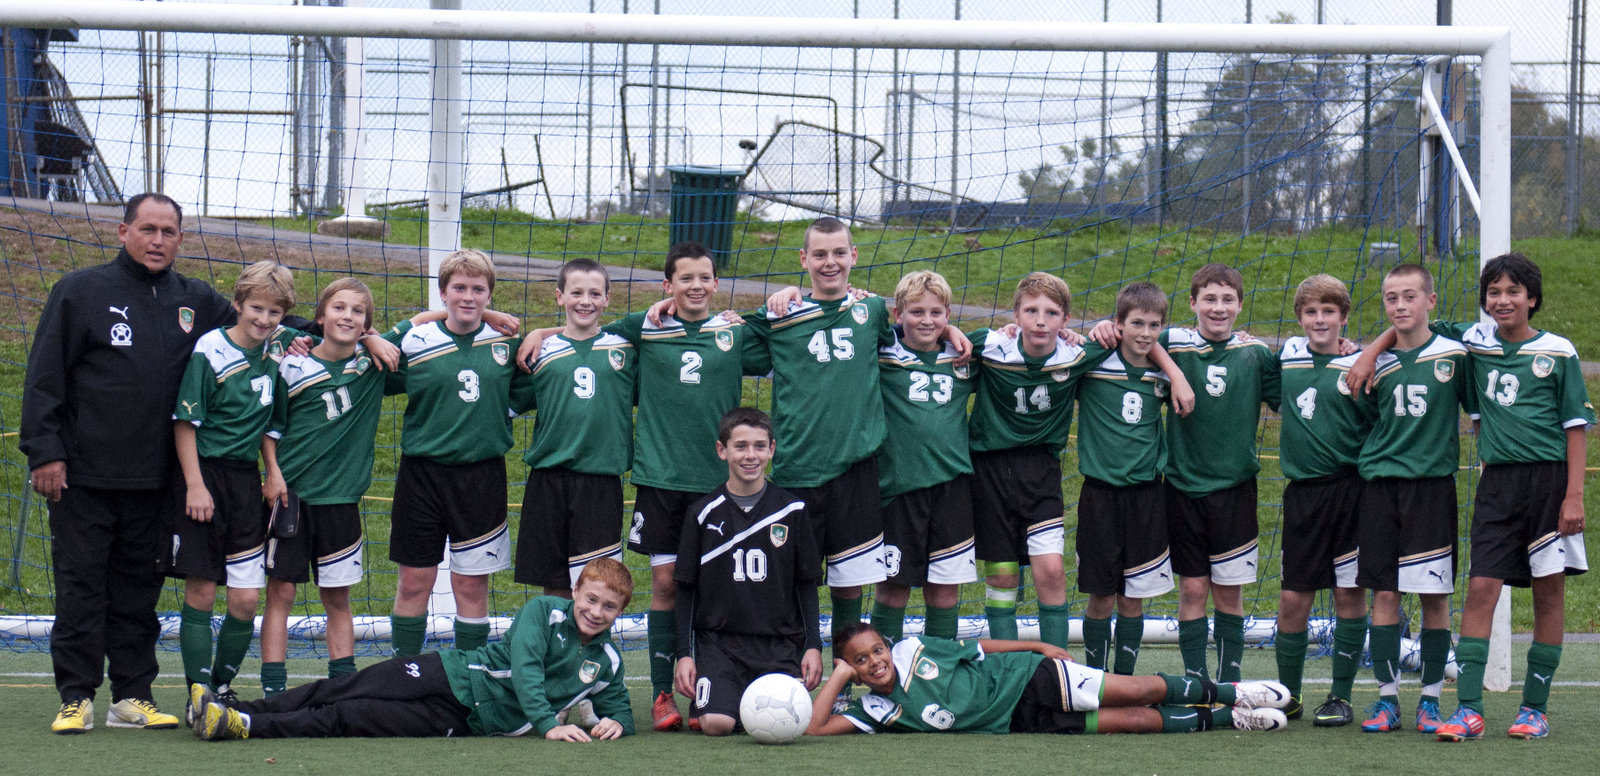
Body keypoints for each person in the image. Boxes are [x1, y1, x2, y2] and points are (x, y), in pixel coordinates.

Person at [24, 193, 254, 733]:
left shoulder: (196, 300)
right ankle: (76, 696)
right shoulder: (79, 292)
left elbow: (260, 323)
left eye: (168, 231)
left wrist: (350, 333)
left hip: (156, 480)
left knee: (138, 591)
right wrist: (46, 452)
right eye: (147, 228)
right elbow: (44, 378)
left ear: (180, 239)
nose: (157, 240)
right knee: (81, 586)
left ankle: (131, 696)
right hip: (83, 475)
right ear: (123, 231)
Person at [519, 241, 764, 731]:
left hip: (721, 484)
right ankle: (660, 694)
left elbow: (793, 336)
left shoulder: (737, 332)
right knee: (666, 584)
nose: (696, 286)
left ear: (717, 285)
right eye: (685, 279)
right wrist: (542, 329)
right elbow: (583, 331)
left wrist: (785, 296)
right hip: (658, 478)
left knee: (718, 586)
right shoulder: (643, 328)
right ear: (667, 287)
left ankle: (718, 685)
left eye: (705, 278)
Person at [1355, 254, 1593, 741]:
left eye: (1513, 292)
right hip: (1497, 486)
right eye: (1494, 293)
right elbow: (1411, 323)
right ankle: (1468, 709)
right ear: (1484, 301)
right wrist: (1366, 354)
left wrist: (1574, 496)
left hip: (1548, 485)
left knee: (1549, 592)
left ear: (1532, 298)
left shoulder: (1559, 351)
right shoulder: (1472, 341)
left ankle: (1535, 709)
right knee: (1481, 588)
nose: (1502, 301)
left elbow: (1575, 428)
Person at [968, 273, 1190, 648]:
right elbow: (943, 337)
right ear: (1016, 315)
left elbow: (1137, 339)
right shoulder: (989, 346)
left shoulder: (1078, 354)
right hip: (989, 473)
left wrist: (1175, 373)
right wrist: (957, 335)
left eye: (1052, 312)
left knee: (1052, 571)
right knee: (1002, 577)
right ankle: (1008, 668)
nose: (1041, 320)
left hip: (1041, 472)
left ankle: (1056, 669)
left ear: (1066, 320)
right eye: (1031, 311)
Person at [192, 558, 636, 741]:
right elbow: (525, 672)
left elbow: (620, 709)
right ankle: (229, 704)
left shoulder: (607, 661)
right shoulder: (543, 611)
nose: (596, 612)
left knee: (352, 718)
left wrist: (616, 722)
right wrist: (547, 724)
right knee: (342, 689)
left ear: (620, 613)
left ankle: (241, 722)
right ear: (576, 591)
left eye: (609, 608)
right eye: (591, 599)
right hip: (453, 672)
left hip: (465, 720)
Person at [1090, 263, 1281, 683]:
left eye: (1227, 299)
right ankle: (1196, 681)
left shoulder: (1257, 353)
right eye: (1209, 299)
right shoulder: (1173, 342)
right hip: (1180, 489)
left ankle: (1228, 683)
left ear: (1240, 306)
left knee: (1229, 592)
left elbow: (1290, 396)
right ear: (1192, 303)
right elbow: (1143, 339)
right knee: (1193, 589)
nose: (1218, 308)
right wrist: (1171, 371)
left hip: (1236, 490)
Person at [168, 261, 306, 722]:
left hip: (247, 483)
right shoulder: (211, 349)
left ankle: (222, 687)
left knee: (246, 599)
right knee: (203, 590)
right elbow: (186, 423)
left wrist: (273, 472)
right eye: (256, 309)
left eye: (274, 312)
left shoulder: (279, 352)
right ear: (237, 305)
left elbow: (272, 425)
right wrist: (195, 486)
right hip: (204, 478)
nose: (264, 319)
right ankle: (196, 694)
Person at [1339, 264, 1471, 734]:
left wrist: (1373, 343)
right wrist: (1373, 349)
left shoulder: (1457, 354)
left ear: (1430, 301)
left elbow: (1475, 413)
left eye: (1410, 296)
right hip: (1379, 488)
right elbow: (1369, 417)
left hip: (1431, 490)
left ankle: (1432, 700)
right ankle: (1387, 700)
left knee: (1435, 595)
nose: (1400, 306)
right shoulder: (1375, 364)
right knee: (1385, 592)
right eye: (1391, 298)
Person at [381, 249, 532, 657]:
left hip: (481, 477)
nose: (468, 296)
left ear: (490, 295)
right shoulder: (417, 340)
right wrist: (414, 320)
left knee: (470, 584)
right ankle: (406, 673)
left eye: (478, 289)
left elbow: (535, 377)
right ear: (442, 293)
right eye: (459, 288)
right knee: (415, 579)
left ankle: (469, 677)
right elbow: (370, 356)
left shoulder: (505, 341)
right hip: (422, 476)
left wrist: (531, 335)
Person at [805, 623, 1292, 736]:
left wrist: (1036, 646)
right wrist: (838, 676)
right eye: (860, 661)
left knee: (1141, 688)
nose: (874, 662)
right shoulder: (874, 709)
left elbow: (980, 648)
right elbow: (814, 730)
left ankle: (1232, 691)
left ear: (889, 647)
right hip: (1018, 722)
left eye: (876, 651)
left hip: (1027, 679)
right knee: (1139, 720)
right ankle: (1230, 719)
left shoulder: (917, 650)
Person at [259, 279, 389, 696]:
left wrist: (376, 342)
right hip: (291, 499)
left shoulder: (373, 367)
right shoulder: (290, 365)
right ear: (320, 317)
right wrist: (273, 473)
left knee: (338, 599)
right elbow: (270, 429)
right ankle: (274, 692)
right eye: (339, 308)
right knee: (280, 595)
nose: (347, 316)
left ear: (367, 324)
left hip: (341, 504)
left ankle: (342, 690)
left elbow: (426, 321)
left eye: (357, 311)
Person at [673, 407, 824, 737]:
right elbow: (685, 590)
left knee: (789, 723)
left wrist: (813, 645)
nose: (750, 455)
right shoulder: (701, 514)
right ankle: (722, 701)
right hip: (720, 645)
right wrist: (684, 655)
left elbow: (806, 584)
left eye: (759, 446)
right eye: (740, 446)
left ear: (772, 449)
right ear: (721, 450)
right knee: (716, 725)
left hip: (779, 644)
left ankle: (735, 700)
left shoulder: (793, 510)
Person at [1271, 275, 1373, 726]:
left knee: (1349, 592)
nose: (1320, 320)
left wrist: (1367, 350)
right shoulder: (1286, 357)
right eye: (1311, 312)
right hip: (1303, 496)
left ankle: (1340, 696)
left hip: (1352, 493)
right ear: (1299, 319)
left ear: (1343, 318)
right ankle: (1286, 696)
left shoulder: (1361, 365)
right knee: (1294, 598)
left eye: (1328, 312)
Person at [1071, 282, 1178, 675]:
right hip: (1099, 496)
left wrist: (1174, 373)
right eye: (1136, 323)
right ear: (1119, 323)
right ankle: (1095, 680)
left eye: (1153, 325)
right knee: (1100, 596)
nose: (1145, 333)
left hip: (1147, 497)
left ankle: (1124, 681)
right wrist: (1088, 331)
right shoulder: (1093, 362)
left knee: (1133, 599)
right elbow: (1061, 353)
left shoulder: (1162, 372)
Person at [514, 259, 636, 597]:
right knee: (553, 583)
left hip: (600, 480)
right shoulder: (539, 352)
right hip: (548, 479)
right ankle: (557, 646)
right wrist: (538, 332)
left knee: (598, 583)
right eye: (576, 292)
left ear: (608, 299)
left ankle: (592, 649)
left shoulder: (625, 350)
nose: (586, 301)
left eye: (595, 293)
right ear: (559, 296)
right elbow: (509, 400)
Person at [869, 271, 978, 643]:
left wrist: (953, 333)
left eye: (936, 313)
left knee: (944, 590)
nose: (927, 320)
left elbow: (1016, 343)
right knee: (893, 588)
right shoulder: (883, 354)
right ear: (898, 314)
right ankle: (881, 683)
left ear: (948, 313)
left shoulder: (965, 356)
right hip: (898, 490)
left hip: (952, 492)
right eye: (916, 312)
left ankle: (940, 676)